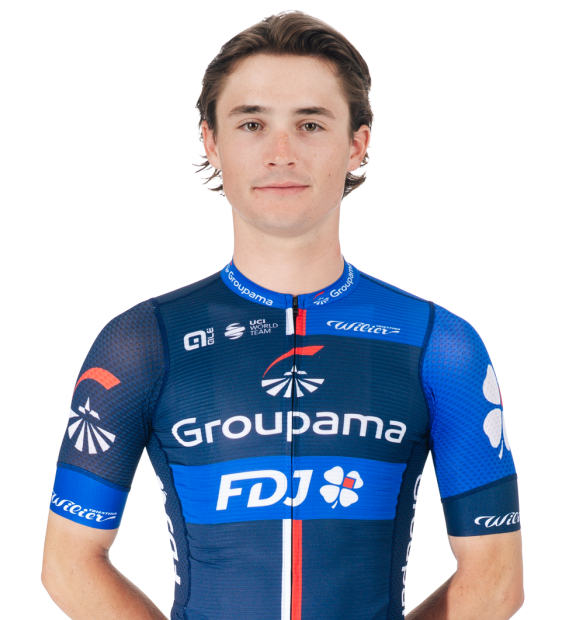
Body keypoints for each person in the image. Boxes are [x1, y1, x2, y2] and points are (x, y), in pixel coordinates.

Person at [41, 10, 524, 620]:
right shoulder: (142, 340)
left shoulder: (439, 343)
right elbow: (70, 562)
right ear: (211, 141)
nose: (281, 153)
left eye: (310, 124)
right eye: (252, 123)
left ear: (357, 143)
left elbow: (496, 578)